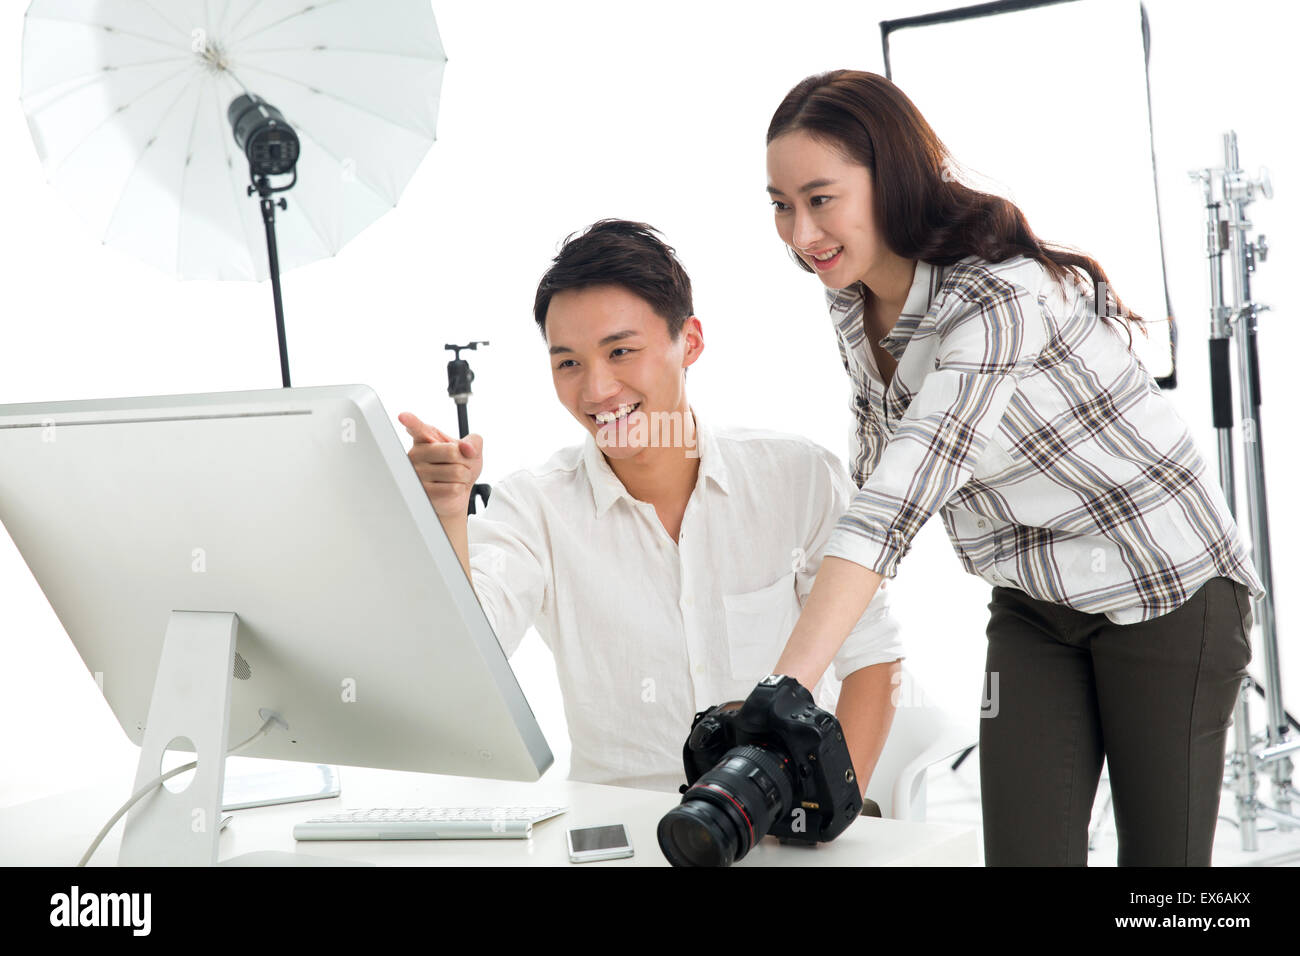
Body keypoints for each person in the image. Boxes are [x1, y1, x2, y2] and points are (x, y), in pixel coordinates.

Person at [761, 70, 1264, 866]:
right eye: (781, 204)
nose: (799, 232)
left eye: (821, 198)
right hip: (1035, 602)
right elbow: (874, 475)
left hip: (1164, 590)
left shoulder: (998, 299)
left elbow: (898, 502)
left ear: (889, 178)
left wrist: (782, 690)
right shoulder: (851, 297)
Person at [398, 219, 902, 795]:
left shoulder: (798, 478)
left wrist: (834, 815)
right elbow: (465, 667)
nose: (596, 390)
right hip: (622, 834)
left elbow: (872, 655)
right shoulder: (535, 506)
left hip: (782, 825)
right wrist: (445, 514)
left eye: (621, 351)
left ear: (689, 342)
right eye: (569, 363)